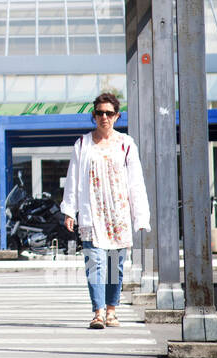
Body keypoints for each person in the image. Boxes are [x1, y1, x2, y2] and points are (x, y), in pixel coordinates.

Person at [60, 90, 151, 330]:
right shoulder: (83, 144)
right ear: (94, 115)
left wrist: (140, 215)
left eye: (109, 113)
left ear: (117, 116)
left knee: (115, 267)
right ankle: (98, 313)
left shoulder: (126, 144)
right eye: (99, 113)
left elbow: (136, 182)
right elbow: (73, 180)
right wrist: (70, 210)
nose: (104, 117)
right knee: (95, 264)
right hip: (93, 215)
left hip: (118, 215)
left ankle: (112, 310)